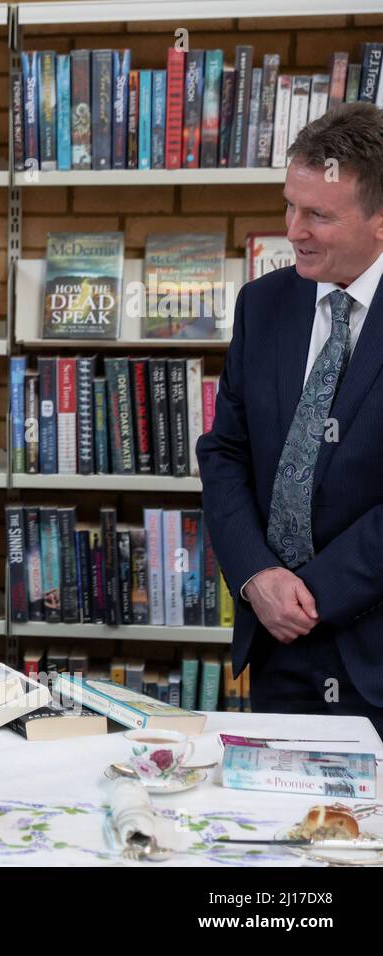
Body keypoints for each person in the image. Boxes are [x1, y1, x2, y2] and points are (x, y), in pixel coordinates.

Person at [198, 102, 383, 731]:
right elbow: (225, 452)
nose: (294, 231)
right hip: (277, 647)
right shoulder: (263, 303)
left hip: (371, 649)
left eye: (319, 215)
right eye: (290, 206)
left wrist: (311, 596)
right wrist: (257, 576)